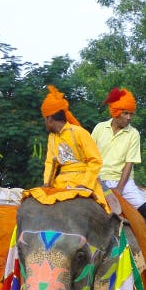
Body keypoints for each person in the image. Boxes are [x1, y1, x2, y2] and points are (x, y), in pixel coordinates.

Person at [91, 88, 146, 259]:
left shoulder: (133, 134)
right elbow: (91, 155)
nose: (129, 117)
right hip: (98, 179)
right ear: (116, 112)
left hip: (122, 181)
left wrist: (119, 188)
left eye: (131, 114)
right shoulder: (99, 128)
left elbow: (129, 164)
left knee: (142, 205)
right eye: (126, 113)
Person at [40, 85, 109, 213]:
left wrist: (85, 184)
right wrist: (46, 183)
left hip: (83, 181)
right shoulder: (51, 137)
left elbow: (95, 160)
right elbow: (50, 163)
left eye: (44, 119)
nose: (45, 122)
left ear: (49, 119)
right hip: (60, 183)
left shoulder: (79, 132)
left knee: (104, 215)